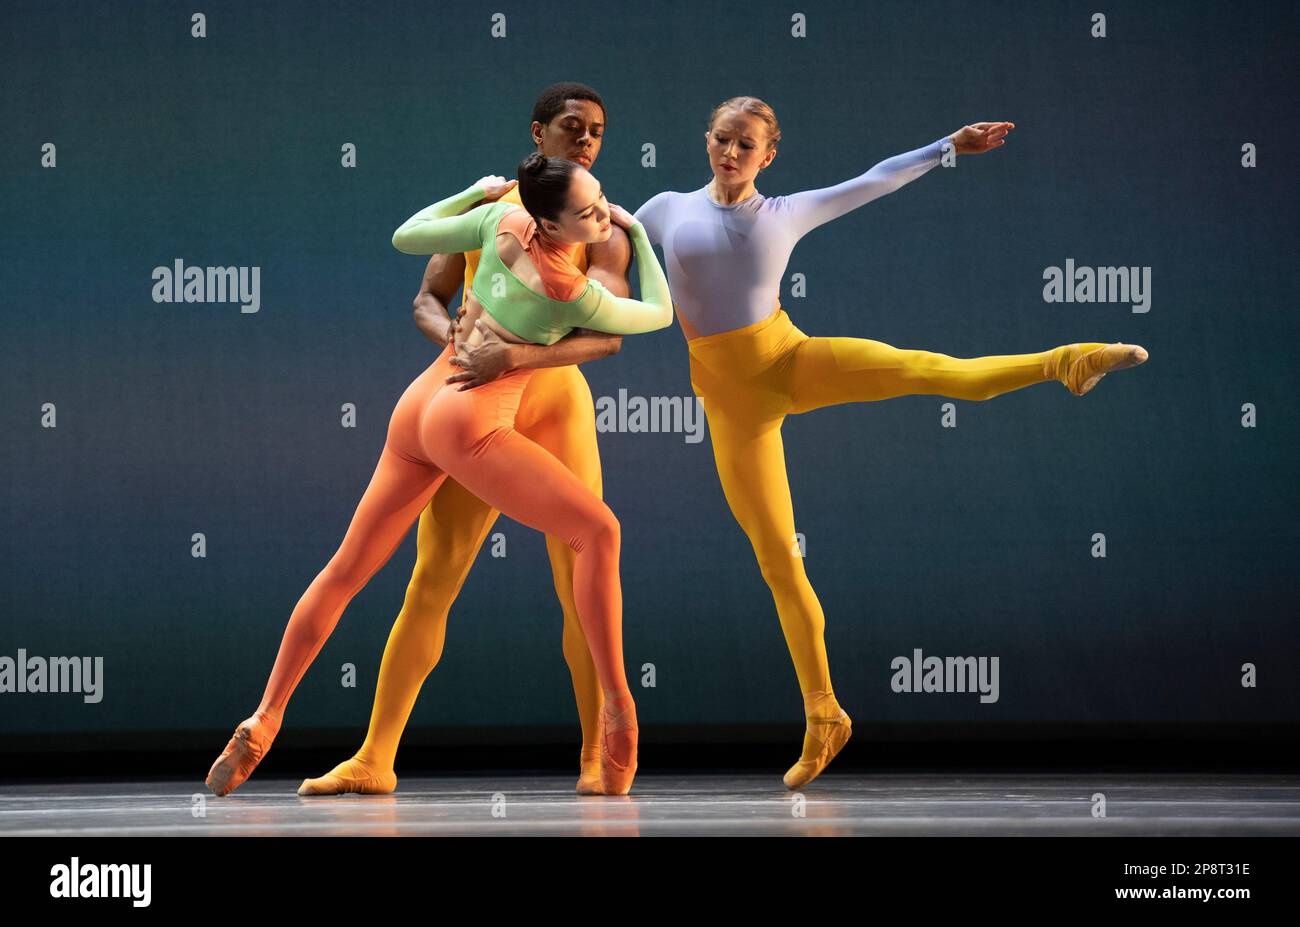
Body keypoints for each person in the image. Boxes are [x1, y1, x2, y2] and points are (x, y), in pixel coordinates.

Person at [628, 97, 1148, 788]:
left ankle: (1070, 359)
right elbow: (592, 235)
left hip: (790, 360)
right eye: (722, 139)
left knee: (932, 370)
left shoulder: (785, 213)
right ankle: (825, 715)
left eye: (746, 144)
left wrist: (949, 146)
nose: (731, 152)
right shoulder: (664, 208)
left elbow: (873, 180)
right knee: (780, 562)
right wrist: (512, 208)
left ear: (768, 154)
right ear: (706, 139)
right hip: (730, 408)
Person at [205, 153, 673, 798]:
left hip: (420, 402)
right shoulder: (570, 288)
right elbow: (657, 316)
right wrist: (641, 235)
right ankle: (619, 703)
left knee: (347, 568)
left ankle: (266, 715)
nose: (605, 214)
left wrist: (470, 193)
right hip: (468, 420)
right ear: (554, 223)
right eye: (590, 210)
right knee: (599, 533)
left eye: (604, 203)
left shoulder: (500, 222)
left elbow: (407, 235)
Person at [301, 83, 634, 798]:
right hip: (474, 407)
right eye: (572, 128)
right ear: (538, 131)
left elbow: (604, 329)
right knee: (433, 578)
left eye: (598, 132)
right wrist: (447, 334)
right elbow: (428, 296)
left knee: (579, 583)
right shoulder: (491, 210)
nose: (585, 141)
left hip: (552, 410)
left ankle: (595, 757)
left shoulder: (602, 226)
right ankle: (374, 756)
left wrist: (516, 356)